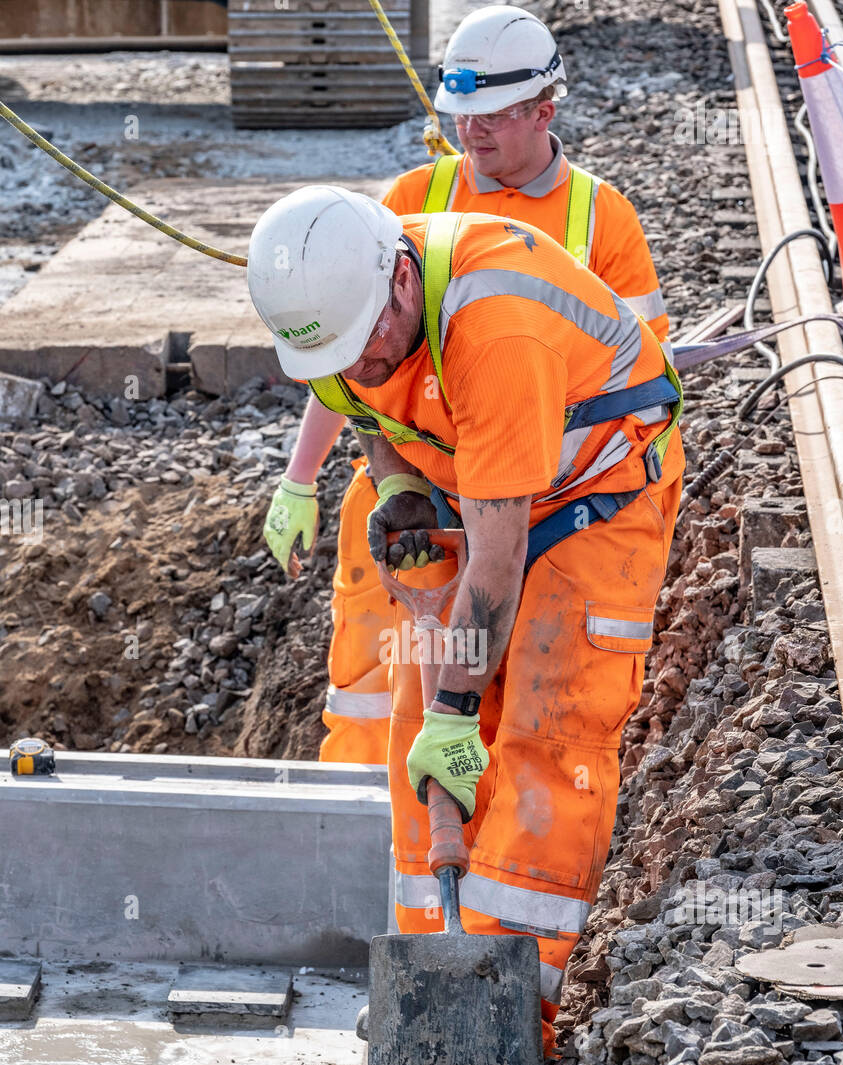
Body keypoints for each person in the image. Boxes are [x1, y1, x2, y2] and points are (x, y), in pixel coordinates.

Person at [247, 185, 684, 1056]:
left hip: (595, 494)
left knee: (547, 733)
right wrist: (399, 479)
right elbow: (369, 408)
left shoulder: (498, 326)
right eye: (336, 358)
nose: (359, 366)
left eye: (367, 344)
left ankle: (511, 1018)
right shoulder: (339, 316)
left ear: (403, 282)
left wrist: (460, 710)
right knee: (419, 724)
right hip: (465, 476)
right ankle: (424, 979)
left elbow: (497, 556)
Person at [262, 5, 670, 764]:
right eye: (459, 118)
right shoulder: (414, 196)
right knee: (373, 676)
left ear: (545, 109)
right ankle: (359, 818)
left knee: (510, 681)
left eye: (491, 119)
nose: (470, 135)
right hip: (413, 478)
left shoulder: (600, 217)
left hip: (534, 490)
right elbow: (347, 362)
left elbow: (640, 364)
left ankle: (468, 812)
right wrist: (300, 478)